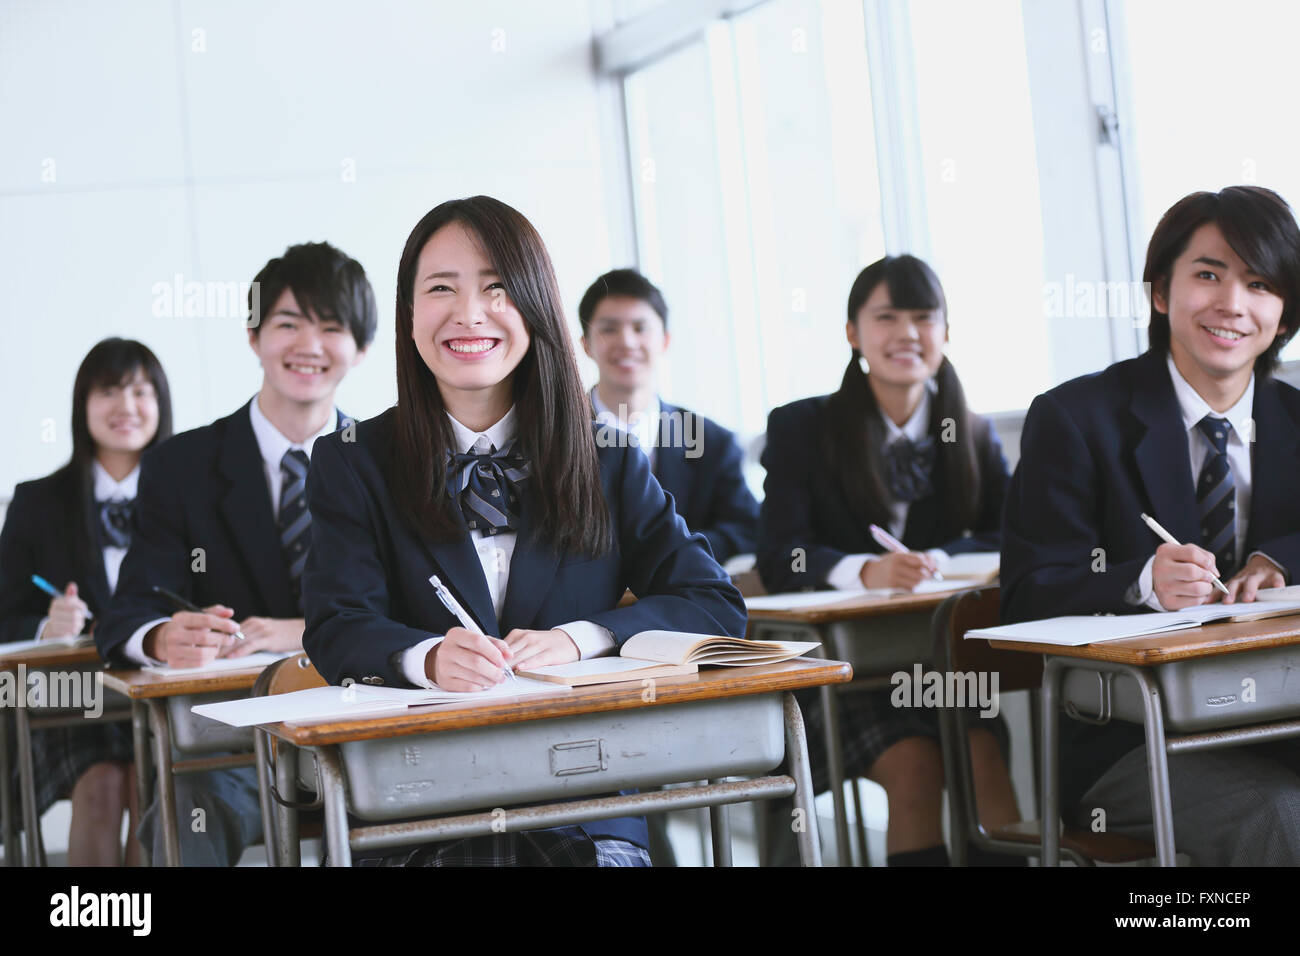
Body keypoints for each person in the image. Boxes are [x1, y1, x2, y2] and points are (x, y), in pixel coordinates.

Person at [302, 195, 747, 866]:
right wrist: (425, 658)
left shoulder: (609, 457)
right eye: (441, 289)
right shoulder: (353, 460)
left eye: (497, 288)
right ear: (409, 315)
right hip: (422, 802)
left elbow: (714, 603)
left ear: (536, 306)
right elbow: (337, 623)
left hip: (585, 793)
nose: (469, 313)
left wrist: (579, 639)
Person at [1001, 185, 1300, 865]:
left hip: (1283, 721)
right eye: (1207, 275)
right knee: (1283, 821)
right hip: (1133, 742)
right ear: (1160, 292)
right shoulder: (1075, 419)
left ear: (1283, 316)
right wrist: (1139, 580)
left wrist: (1282, 558)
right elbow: (1027, 591)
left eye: (1259, 283)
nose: (1231, 303)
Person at [96, 241, 376, 865]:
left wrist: (305, 630)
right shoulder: (181, 466)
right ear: (253, 336)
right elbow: (129, 608)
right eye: (288, 323)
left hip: (375, 736)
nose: (308, 344)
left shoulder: (386, 463)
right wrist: (163, 636)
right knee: (186, 809)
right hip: (243, 748)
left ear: (359, 349)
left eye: (331, 327)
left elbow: (426, 610)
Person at [757, 254, 1019, 865]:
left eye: (924, 317)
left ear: (946, 332)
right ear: (853, 333)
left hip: (938, 658)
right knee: (914, 765)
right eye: (887, 317)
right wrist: (863, 570)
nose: (908, 333)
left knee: (983, 754)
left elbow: (1014, 536)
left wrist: (940, 557)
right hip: (841, 675)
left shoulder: (973, 434)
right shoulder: (803, 427)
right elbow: (779, 555)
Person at [0, 338, 172, 864]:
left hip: (166, 699)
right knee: (101, 788)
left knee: (158, 789)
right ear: (83, 406)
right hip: (74, 701)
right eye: (110, 391)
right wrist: (46, 628)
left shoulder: (191, 496)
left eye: (141, 391)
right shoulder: (38, 501)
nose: (126, 407)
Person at [578, 269, 759, 564]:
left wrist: (670, 550)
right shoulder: (551, 434)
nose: (627, 341)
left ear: (665, 340)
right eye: (609, 329)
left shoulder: (711, 442)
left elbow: (746, 529)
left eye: (640, 328)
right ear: (586, 344)